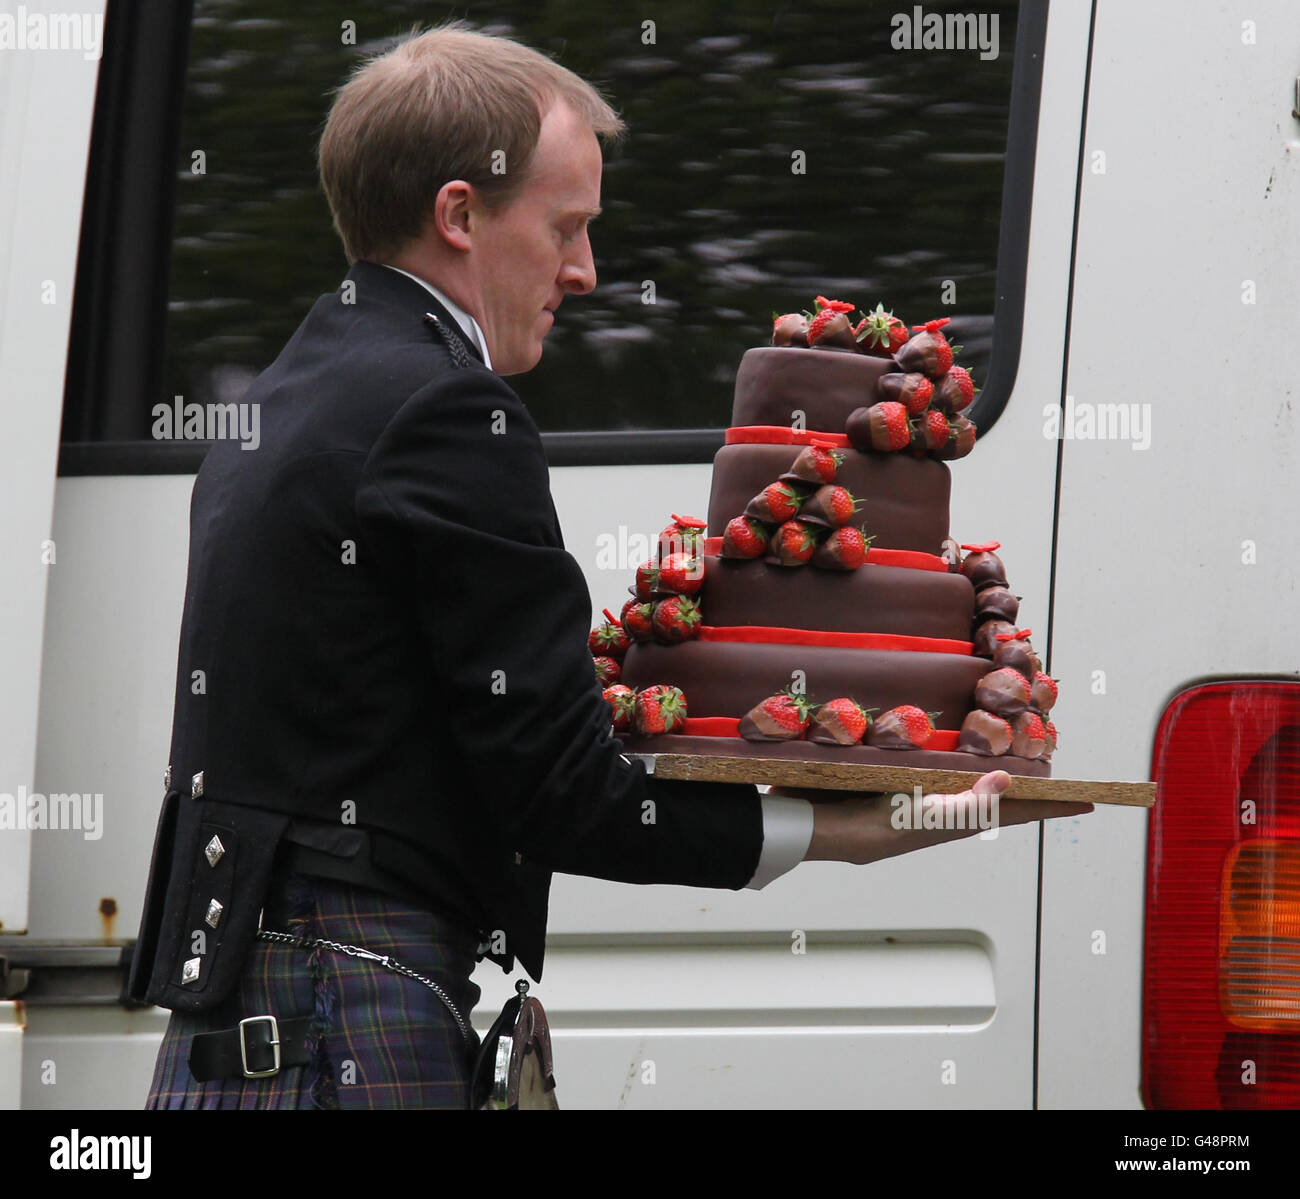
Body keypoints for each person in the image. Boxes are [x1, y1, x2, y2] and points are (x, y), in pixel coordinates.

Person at [129, 21, 1090, 1110]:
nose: (584, 271)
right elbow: (562, 787)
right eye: (565, 226)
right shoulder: (446, 409)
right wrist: (839, 832)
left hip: (253, 1018)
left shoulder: (278, 402)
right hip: (344, 1015)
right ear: (459, 213)